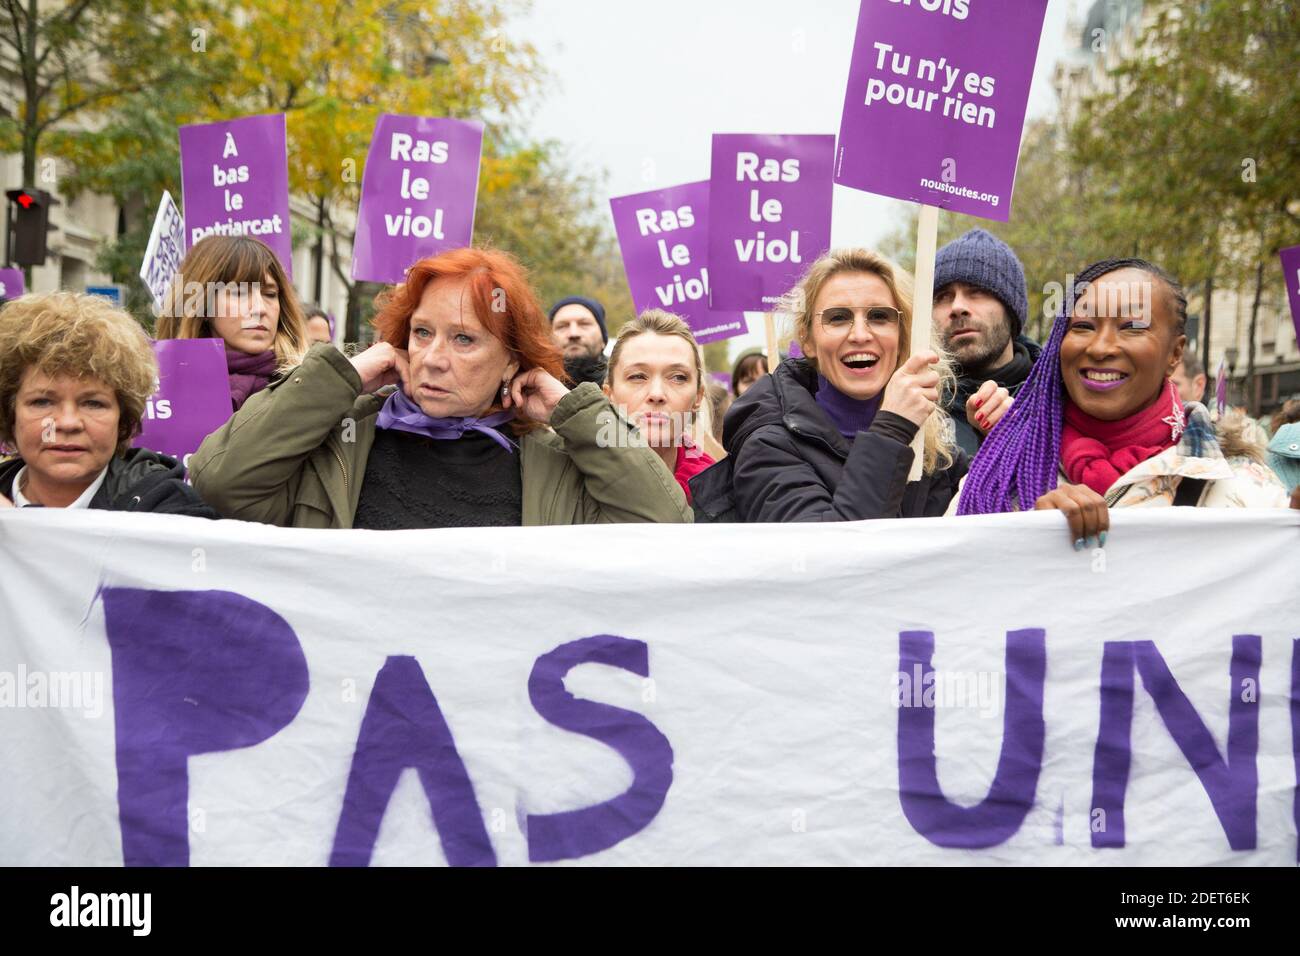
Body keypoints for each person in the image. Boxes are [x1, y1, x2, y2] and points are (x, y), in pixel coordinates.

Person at [189, 248, 691, 529]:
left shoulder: (556, 461)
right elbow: (222, 482)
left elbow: (663, 524)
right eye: (422, 333)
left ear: (511, 360)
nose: (433, 357)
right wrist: (345, 377)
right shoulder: (340, 441)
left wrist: (571, 410)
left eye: (464, 339)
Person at [951, 258, 1293, 546]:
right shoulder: (998, 473)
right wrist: (1029, 540)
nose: (1101, 348)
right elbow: (951, 592)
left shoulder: (1249, 491)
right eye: (1083, 326)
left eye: (1131, 327)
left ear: (1175, 354)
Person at [690, 248, 967, 522]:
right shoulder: (767, 443)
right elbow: (830, 558)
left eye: (879, 316)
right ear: (807, 340)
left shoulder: (934, 450)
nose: (860, 334)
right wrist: (892, 427)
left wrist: (1003, 435)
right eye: (838, 318)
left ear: (902, 334)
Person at [0, 292, 215, 516]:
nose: (67, 423)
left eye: (93, 404)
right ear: (10, 413)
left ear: (123, 419)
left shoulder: (175, 515)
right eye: (42, 402)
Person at [156, 235, 309, 411]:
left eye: (270, 294)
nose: (259, 309)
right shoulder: (157, 390)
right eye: (239, 293)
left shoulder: (310, 386)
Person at [932, 228, 1041, 456]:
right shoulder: (917, 408)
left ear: (1011, 311)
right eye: (943, 296)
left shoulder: (1060, 399)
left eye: (977, 292)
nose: (957, 307)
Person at [603, 310, 715, 503]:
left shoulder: (724, 492)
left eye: (678, 377)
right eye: (637, 376)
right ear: (609, 395)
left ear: (698, 397)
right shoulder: (568, 481)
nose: (656, 394)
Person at [549, 295, 608, 387]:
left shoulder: (626, 386)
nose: (573, 333)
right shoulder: (531, 390)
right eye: (562, 326)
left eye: (584, 324)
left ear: (603, 341)